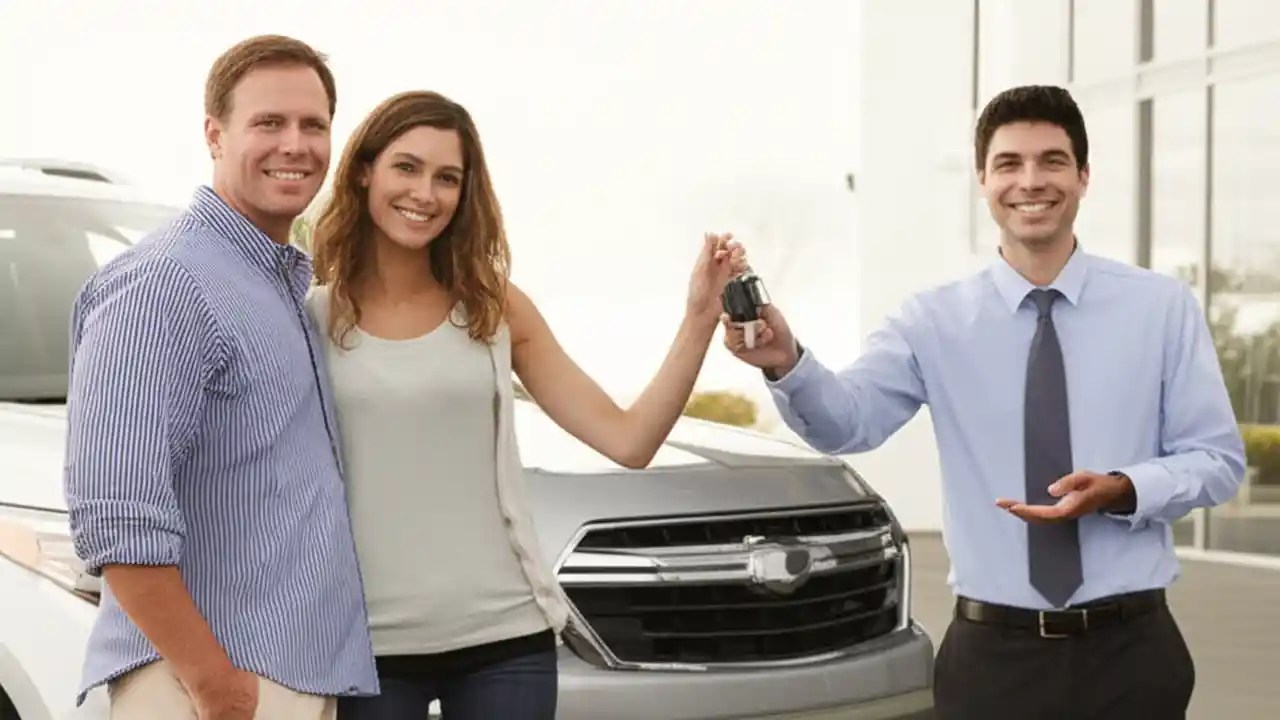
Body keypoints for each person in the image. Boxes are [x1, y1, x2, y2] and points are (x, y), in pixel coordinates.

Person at [721, 84, 1245, 719]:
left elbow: (1216, 460)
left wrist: (1123, 487)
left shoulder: (1161, 309)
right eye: (1009, 163)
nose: (1032, 181)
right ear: (983, 180)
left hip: (1132, 654)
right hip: (993, 660)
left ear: (1083, 176)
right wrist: (786, 361)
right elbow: (848, 423)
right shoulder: (932, 320)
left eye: (1052, 161)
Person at [303, 89, 747, 719]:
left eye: (447, 178)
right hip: (364, 648)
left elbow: (630, 440)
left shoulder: (496, 309)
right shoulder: (309, 318)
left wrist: (699, 317)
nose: (425, 193)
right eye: (407, 167)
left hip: (505, 642)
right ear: (365, 171)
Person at [62, 35, 378, 719]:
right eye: (269, 123)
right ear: (214, 134)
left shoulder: (276, 286)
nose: (295, 144)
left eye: (313, 125)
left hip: (283, 679)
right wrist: (217, 687)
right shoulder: (163, 284)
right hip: (208, 687)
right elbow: (117, 516)